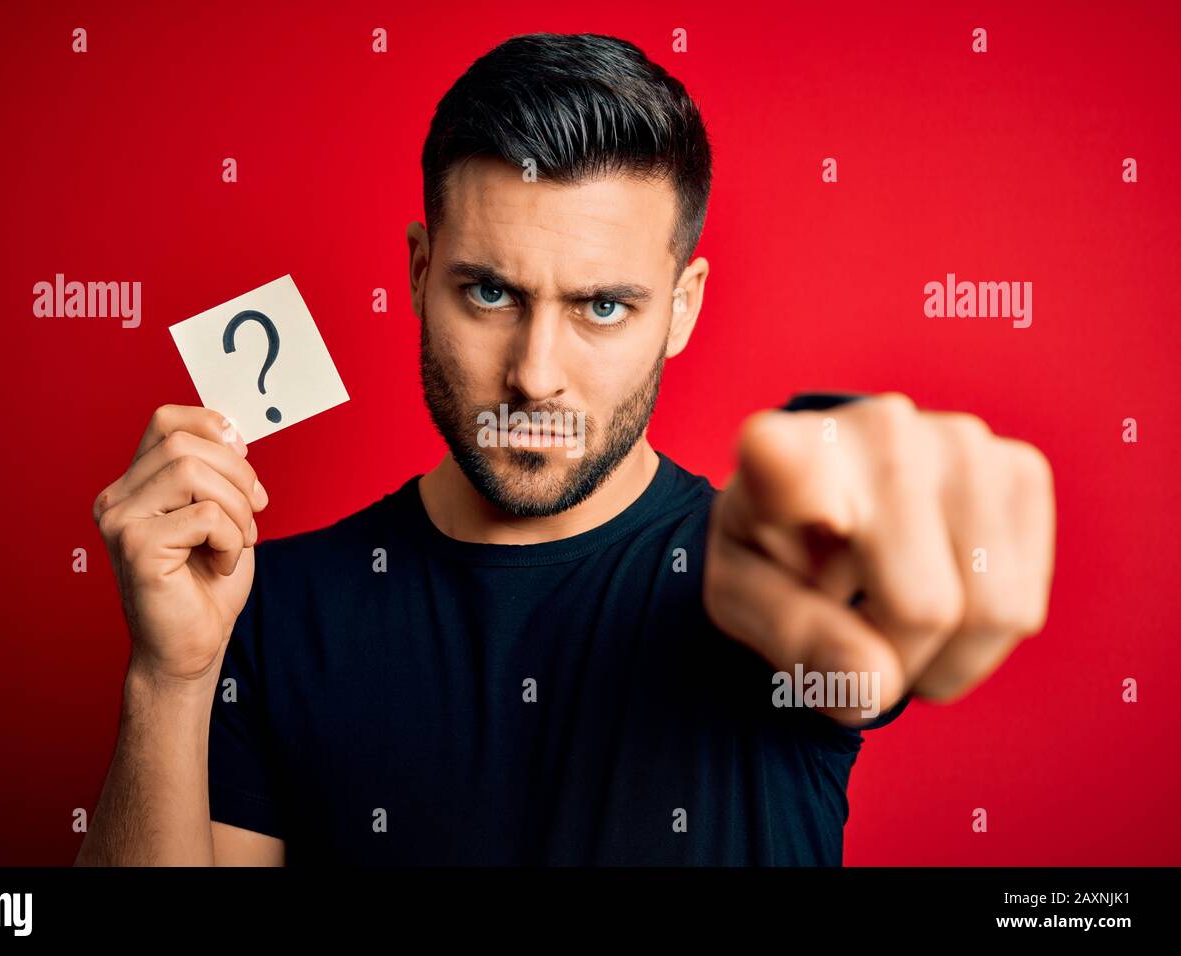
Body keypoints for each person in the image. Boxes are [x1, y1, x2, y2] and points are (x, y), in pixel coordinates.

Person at [76, 33, 1054, 866]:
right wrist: (168, 674)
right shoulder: (263, 602)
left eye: (601, 306)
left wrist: (884, 530)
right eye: (490, 293)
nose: (535, 372)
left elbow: (846, 602)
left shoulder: (759, 582)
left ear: (681, 309)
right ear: (419, 275)